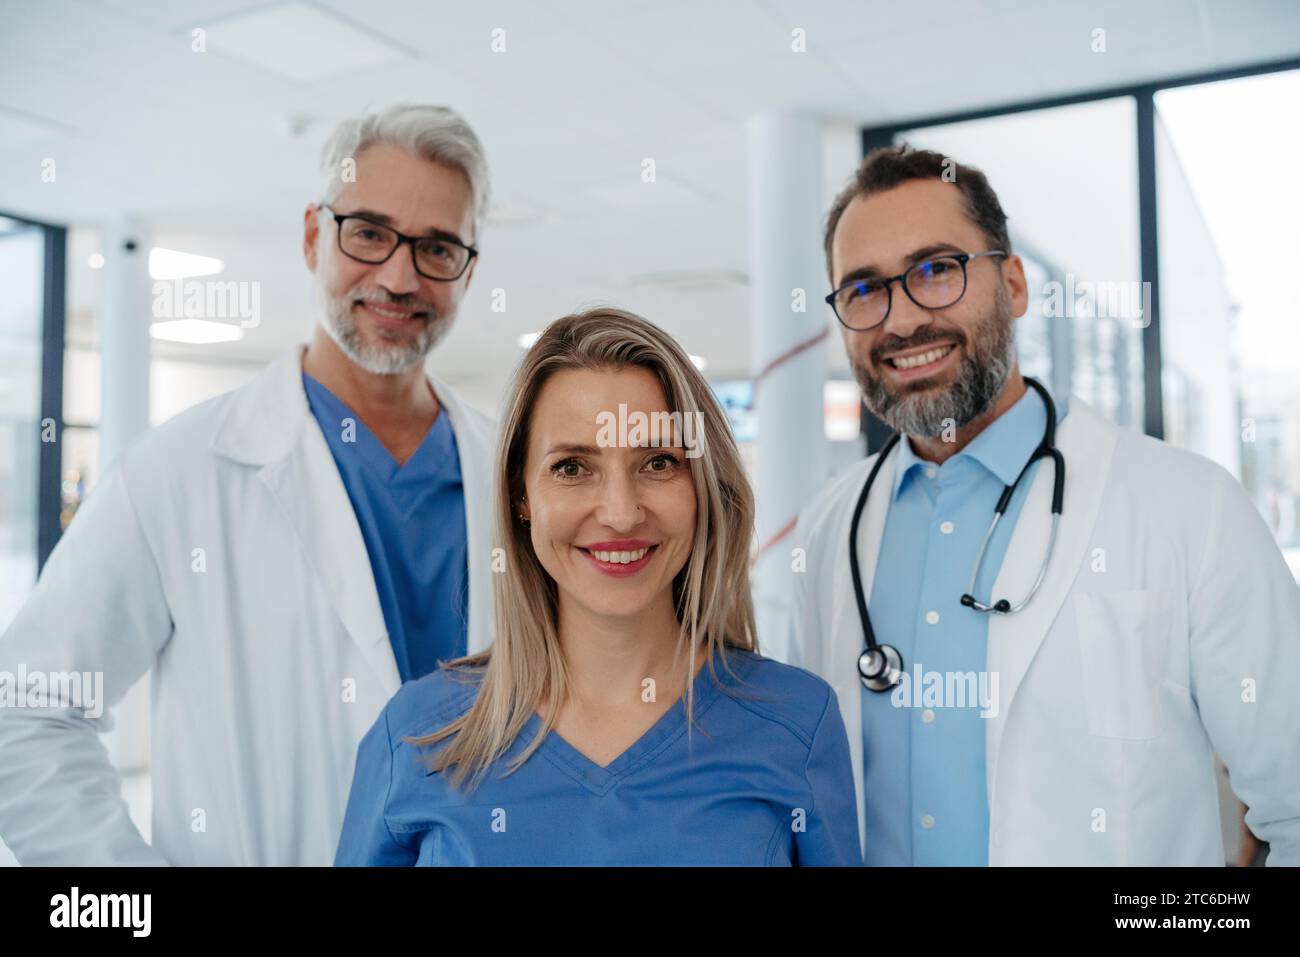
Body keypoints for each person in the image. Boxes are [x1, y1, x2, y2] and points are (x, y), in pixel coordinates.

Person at [0, 103, 497, 865]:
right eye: (369, 232)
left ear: (468, 270)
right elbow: (27, 709)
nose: (399, 277)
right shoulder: (180, 470)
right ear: (312, 236)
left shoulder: (517, 471)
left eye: (437, 247)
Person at [785, 145, 1300, 866]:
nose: (900, 320)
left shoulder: (1191, 508)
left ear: (1016, 285)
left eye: (936, 270)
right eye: (864, 289)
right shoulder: (828, 529)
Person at [335, 308, 862, 866]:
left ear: (704, 487)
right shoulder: (420, 734)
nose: (620, 512)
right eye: (571, 468)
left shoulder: (795, 724)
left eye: (659, 462)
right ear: (522, 496)